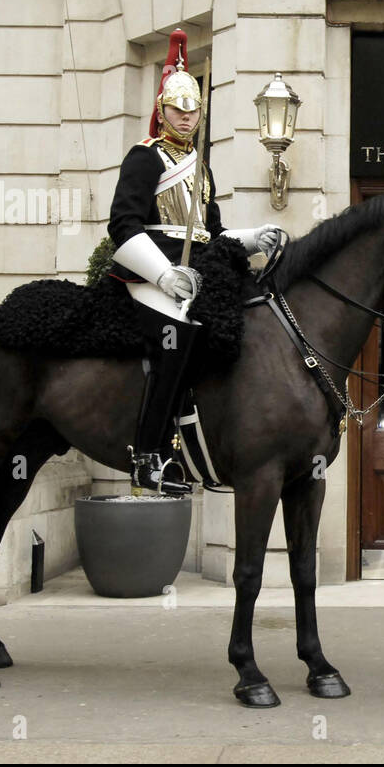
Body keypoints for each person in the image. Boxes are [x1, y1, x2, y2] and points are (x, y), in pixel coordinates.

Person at [106, 28, 281, 495]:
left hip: (197, 269)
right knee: (175, 339)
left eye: (192, 110)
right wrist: (163, 274)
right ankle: (149, 455)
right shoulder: (144, 159)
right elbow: (122, 225)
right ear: (161, 111)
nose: (185, 117)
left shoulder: (201, 167)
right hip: (151, 271)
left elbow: (214, 233)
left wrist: (252, 239)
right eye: (177, 109)